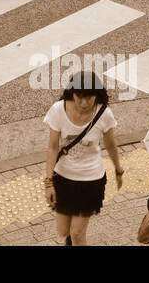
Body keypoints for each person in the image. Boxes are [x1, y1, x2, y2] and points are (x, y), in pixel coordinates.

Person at [43, 72, 122, 246]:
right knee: (63, 231)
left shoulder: (104, 113)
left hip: (90, 180)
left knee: (77, 234)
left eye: (90, 97)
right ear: (72, 93)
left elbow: (110, 144)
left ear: (97, 95)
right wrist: (48, 183)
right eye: (80, 97)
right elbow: (52, 147)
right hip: (63, 178)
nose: (84, 103)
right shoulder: (58, 110)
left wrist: (118, 169)